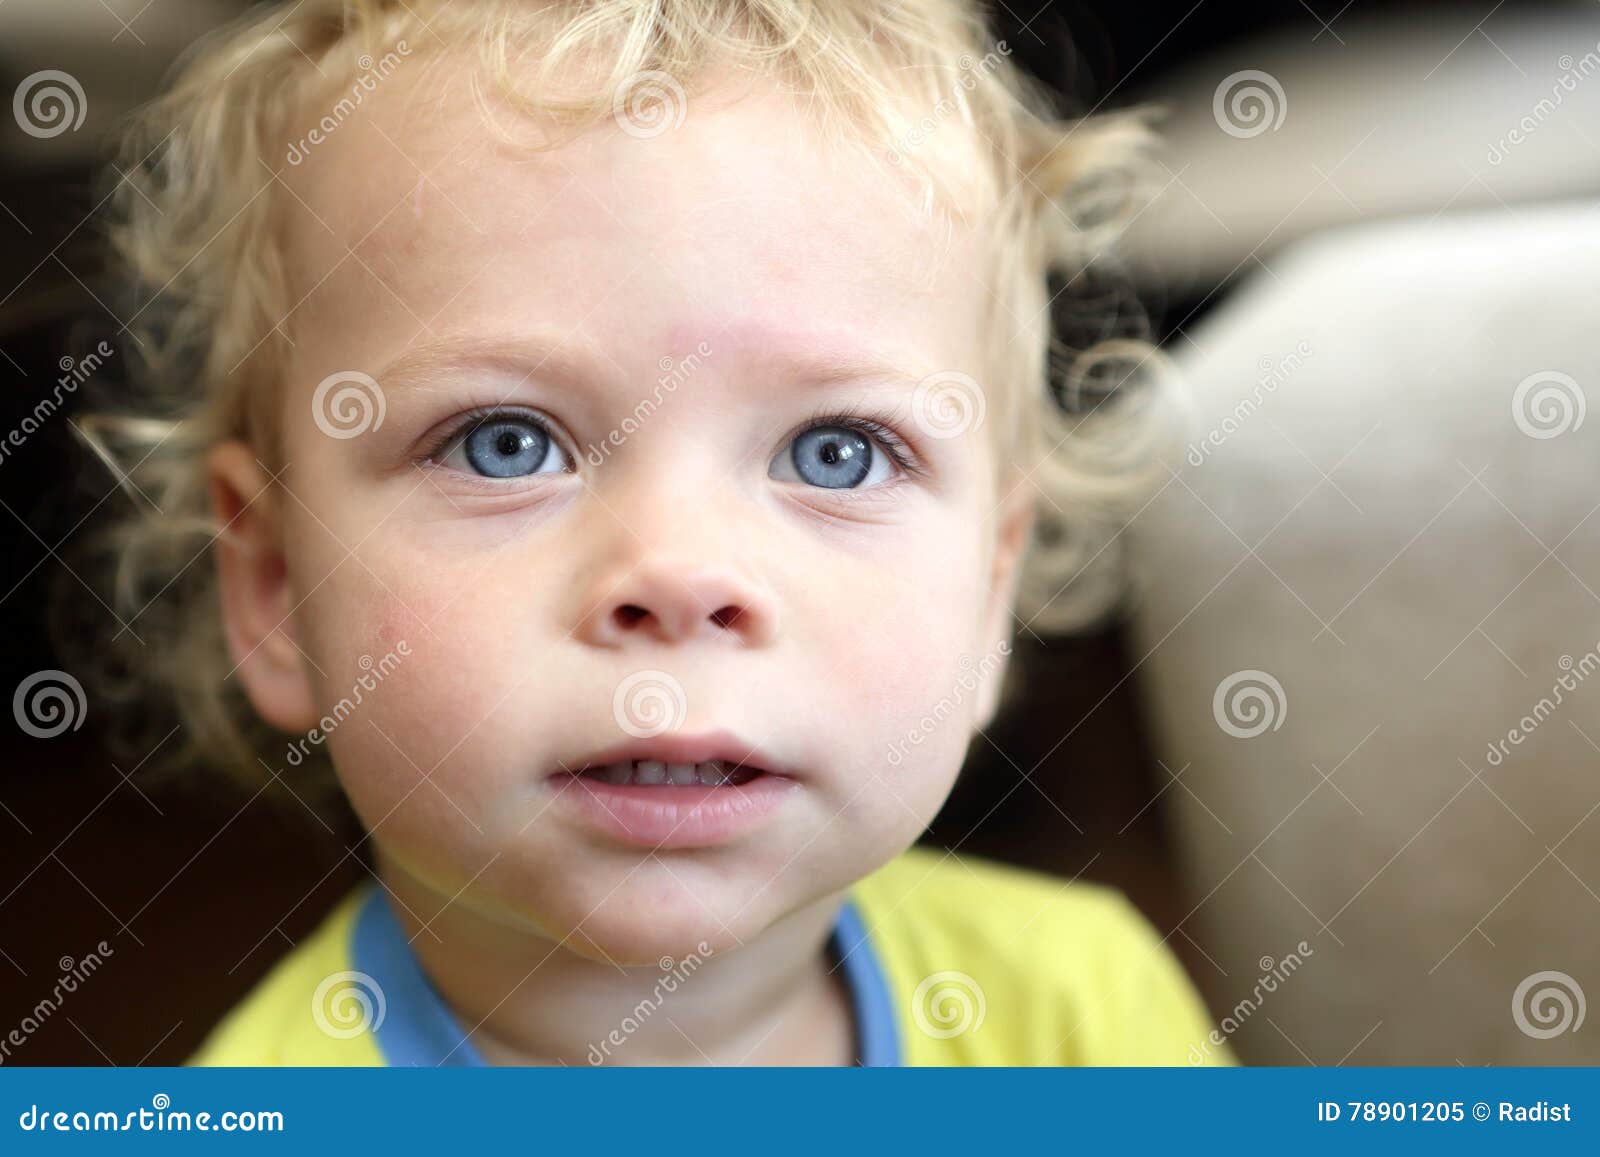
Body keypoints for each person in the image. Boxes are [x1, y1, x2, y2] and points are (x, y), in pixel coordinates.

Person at [83, 0, 1228, 1066]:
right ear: (276, 585)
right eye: (504, 443)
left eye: (836, 451)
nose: (681, 573)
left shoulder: (1086, 1010)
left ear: (990, 590)